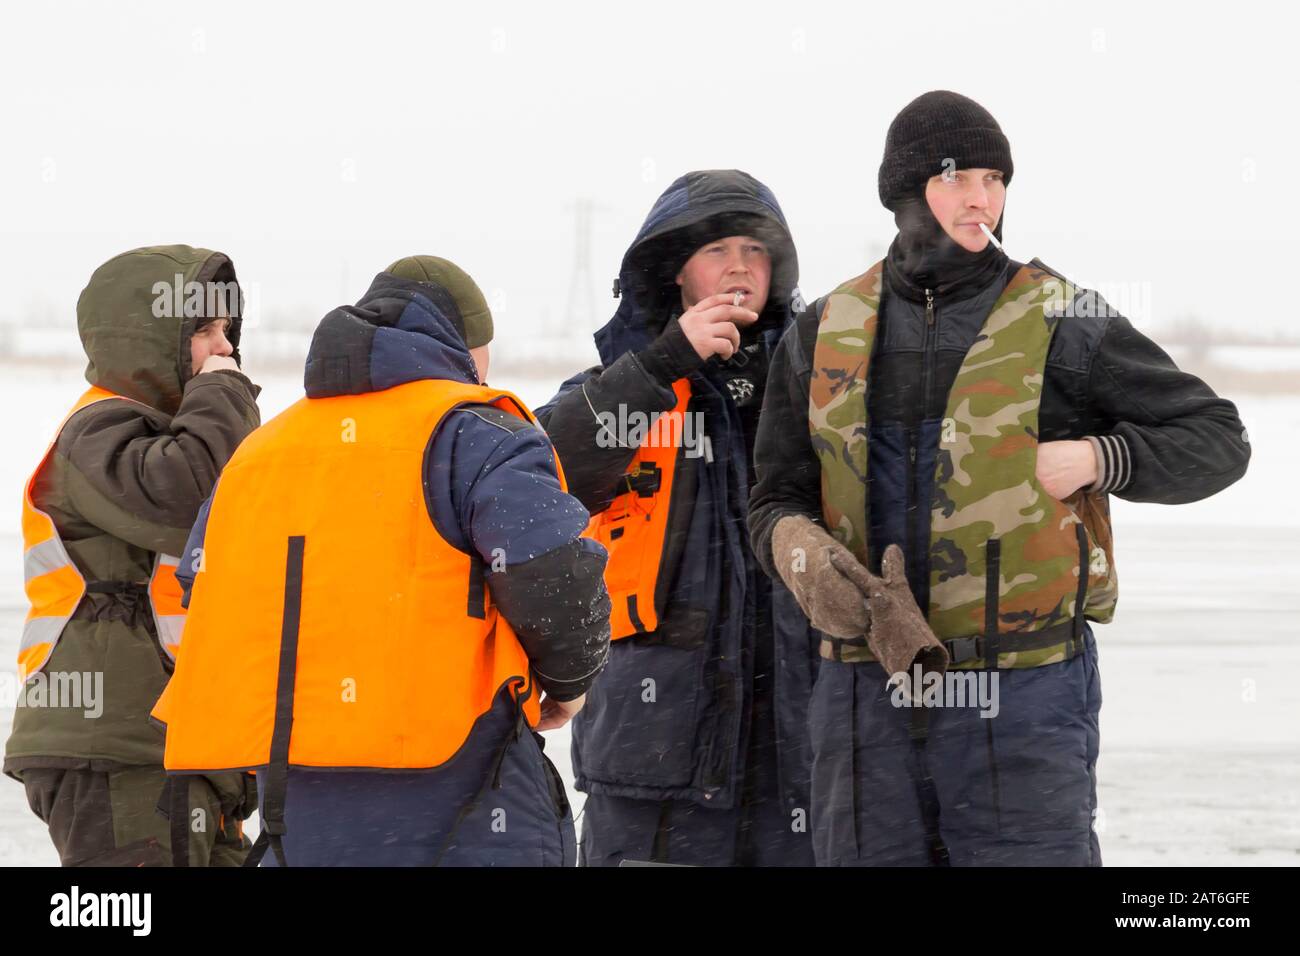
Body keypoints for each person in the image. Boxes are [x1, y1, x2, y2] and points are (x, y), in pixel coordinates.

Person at [748, 91, 1252, 866]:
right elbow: (774, 494)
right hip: (864, 701)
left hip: (1021, 698)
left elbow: (1217, 440)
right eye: (957, 177)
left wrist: (1097, 458)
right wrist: (794, 547)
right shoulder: (822, 330)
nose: (980, 197)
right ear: (907, 191)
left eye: (995, 177)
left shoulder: (1063, 316)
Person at [151, 256, 610, 866]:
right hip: (465, 796)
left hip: (301, 812)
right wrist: (569, 685)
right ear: (464, 348)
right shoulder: (475, 430)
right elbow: (553, 570)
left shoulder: (261, 454)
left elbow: (200, 587)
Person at [537, 170, 818, 866]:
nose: (740, 267)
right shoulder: (619, 389)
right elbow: (545, 475)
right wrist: (665, 363)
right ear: (675, 272)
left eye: (756, 251)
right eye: (718, 250)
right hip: (653, 770)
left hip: (802, 765)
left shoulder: (822, 390)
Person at [6, 244, 262, 866]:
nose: (224, 348)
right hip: (114, 745)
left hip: (183, 747)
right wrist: (226, 398)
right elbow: (187, 502)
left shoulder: (177, 432)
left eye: (227, 330)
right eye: (203, 330)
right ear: (148, 340)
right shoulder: (96, 431)